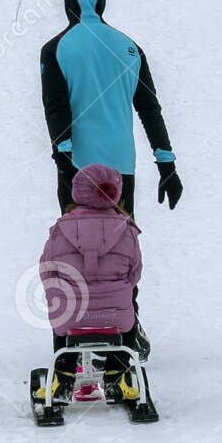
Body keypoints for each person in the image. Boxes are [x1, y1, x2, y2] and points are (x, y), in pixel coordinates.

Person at [40, 0, 181, 218]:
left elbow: (56, 108)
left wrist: (63, 161)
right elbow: (149, 109)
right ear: (102, 1)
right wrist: (166, 164)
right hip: (121, 165)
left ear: (68, 2)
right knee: (119, 238)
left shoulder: (56, 48)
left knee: (77, 237)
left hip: (76, 165)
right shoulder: (130, 48)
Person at [36, 164, 143, 406]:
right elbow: (134, 273)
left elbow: (48, 270)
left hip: (71, 316)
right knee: (128, 320)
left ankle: (63, 376)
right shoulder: (126, 229)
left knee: (61, 320)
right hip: (116, 317)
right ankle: (117, 374)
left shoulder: (60, 229)